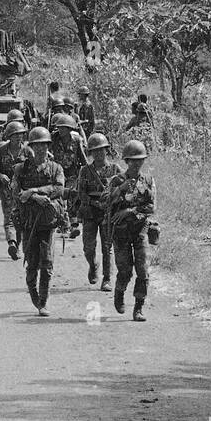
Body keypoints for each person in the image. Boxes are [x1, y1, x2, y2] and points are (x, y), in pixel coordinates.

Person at [11, 126, 64, 317]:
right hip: (28, 222)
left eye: (44, 145)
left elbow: (59, 189)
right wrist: (34, 197)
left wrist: (35, 191)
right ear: (31, 147)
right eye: (37, 146)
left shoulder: (55, 168)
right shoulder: (21, 169)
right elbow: (16, 193)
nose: (41, 149)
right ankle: (33, 292)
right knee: (32, 262)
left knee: (47, 263)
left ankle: (43, 301)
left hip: (47, 222)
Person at [105, 140, 155, 321]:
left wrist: (130, 211)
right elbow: (107, 203)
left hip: (140, 230)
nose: (137, 164)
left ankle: (138, 307)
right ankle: (119, 293)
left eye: (140, 160)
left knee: (143, 270)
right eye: (133, 160)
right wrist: (120, 189)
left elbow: (151, 207)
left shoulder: (148, 181)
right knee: (125, 270)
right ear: (126, 161)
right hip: (121, 233)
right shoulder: (117, 180)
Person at [75, 133, 120, 291]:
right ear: (91, 153)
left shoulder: (115, 169)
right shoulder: (85, 171)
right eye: (95, 151)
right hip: (90, 212)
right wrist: (93, 202)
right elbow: (80, 193)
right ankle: (93, 265)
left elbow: (122, 189)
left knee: (107, 247)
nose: (99, 154)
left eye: (101, 150)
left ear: (106, 150)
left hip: (108, 213)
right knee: (88, 247)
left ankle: (107, 279)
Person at [0, 119, 32, 260]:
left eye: (20, 134)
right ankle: (12, 243)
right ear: (8, 136)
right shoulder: (0, 151)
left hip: (25, 190)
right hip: (7, 191)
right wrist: (0, 175)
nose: (18, 137)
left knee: (23, 219)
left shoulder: (27, 150)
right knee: (9, 218)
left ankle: (19, 244)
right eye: (14, 135)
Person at [50, 112, 88, 239]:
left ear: (69, 129)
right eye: (59, 127)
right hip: (57, 174)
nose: (60, 130)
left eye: (63, 128)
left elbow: (82, 157)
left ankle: (72, 224)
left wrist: (88, 171)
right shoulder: (53, 138)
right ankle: (64, 225)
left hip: (72, 173)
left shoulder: (76, 140)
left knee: (71, 197)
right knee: (60, 198)